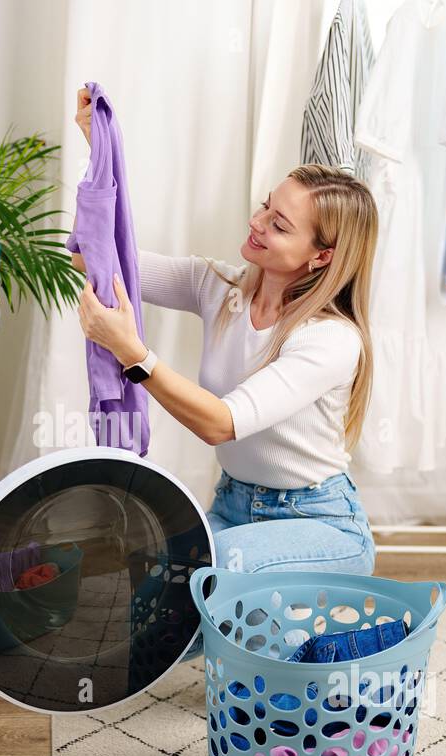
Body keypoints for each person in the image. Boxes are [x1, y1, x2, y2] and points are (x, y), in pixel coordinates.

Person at [69, 87, 378, 575]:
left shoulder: (331, 340)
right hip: (234, 506)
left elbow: (220, 422)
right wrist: (99, 153)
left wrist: (134, 354)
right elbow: (94, 260)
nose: (256, 223)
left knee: (212, 576)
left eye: (278, 225)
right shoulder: (219, 286)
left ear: (322, 257)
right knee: (153, 593)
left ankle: (317, 643)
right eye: (264, 207)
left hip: (320, 522)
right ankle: (287, 641)